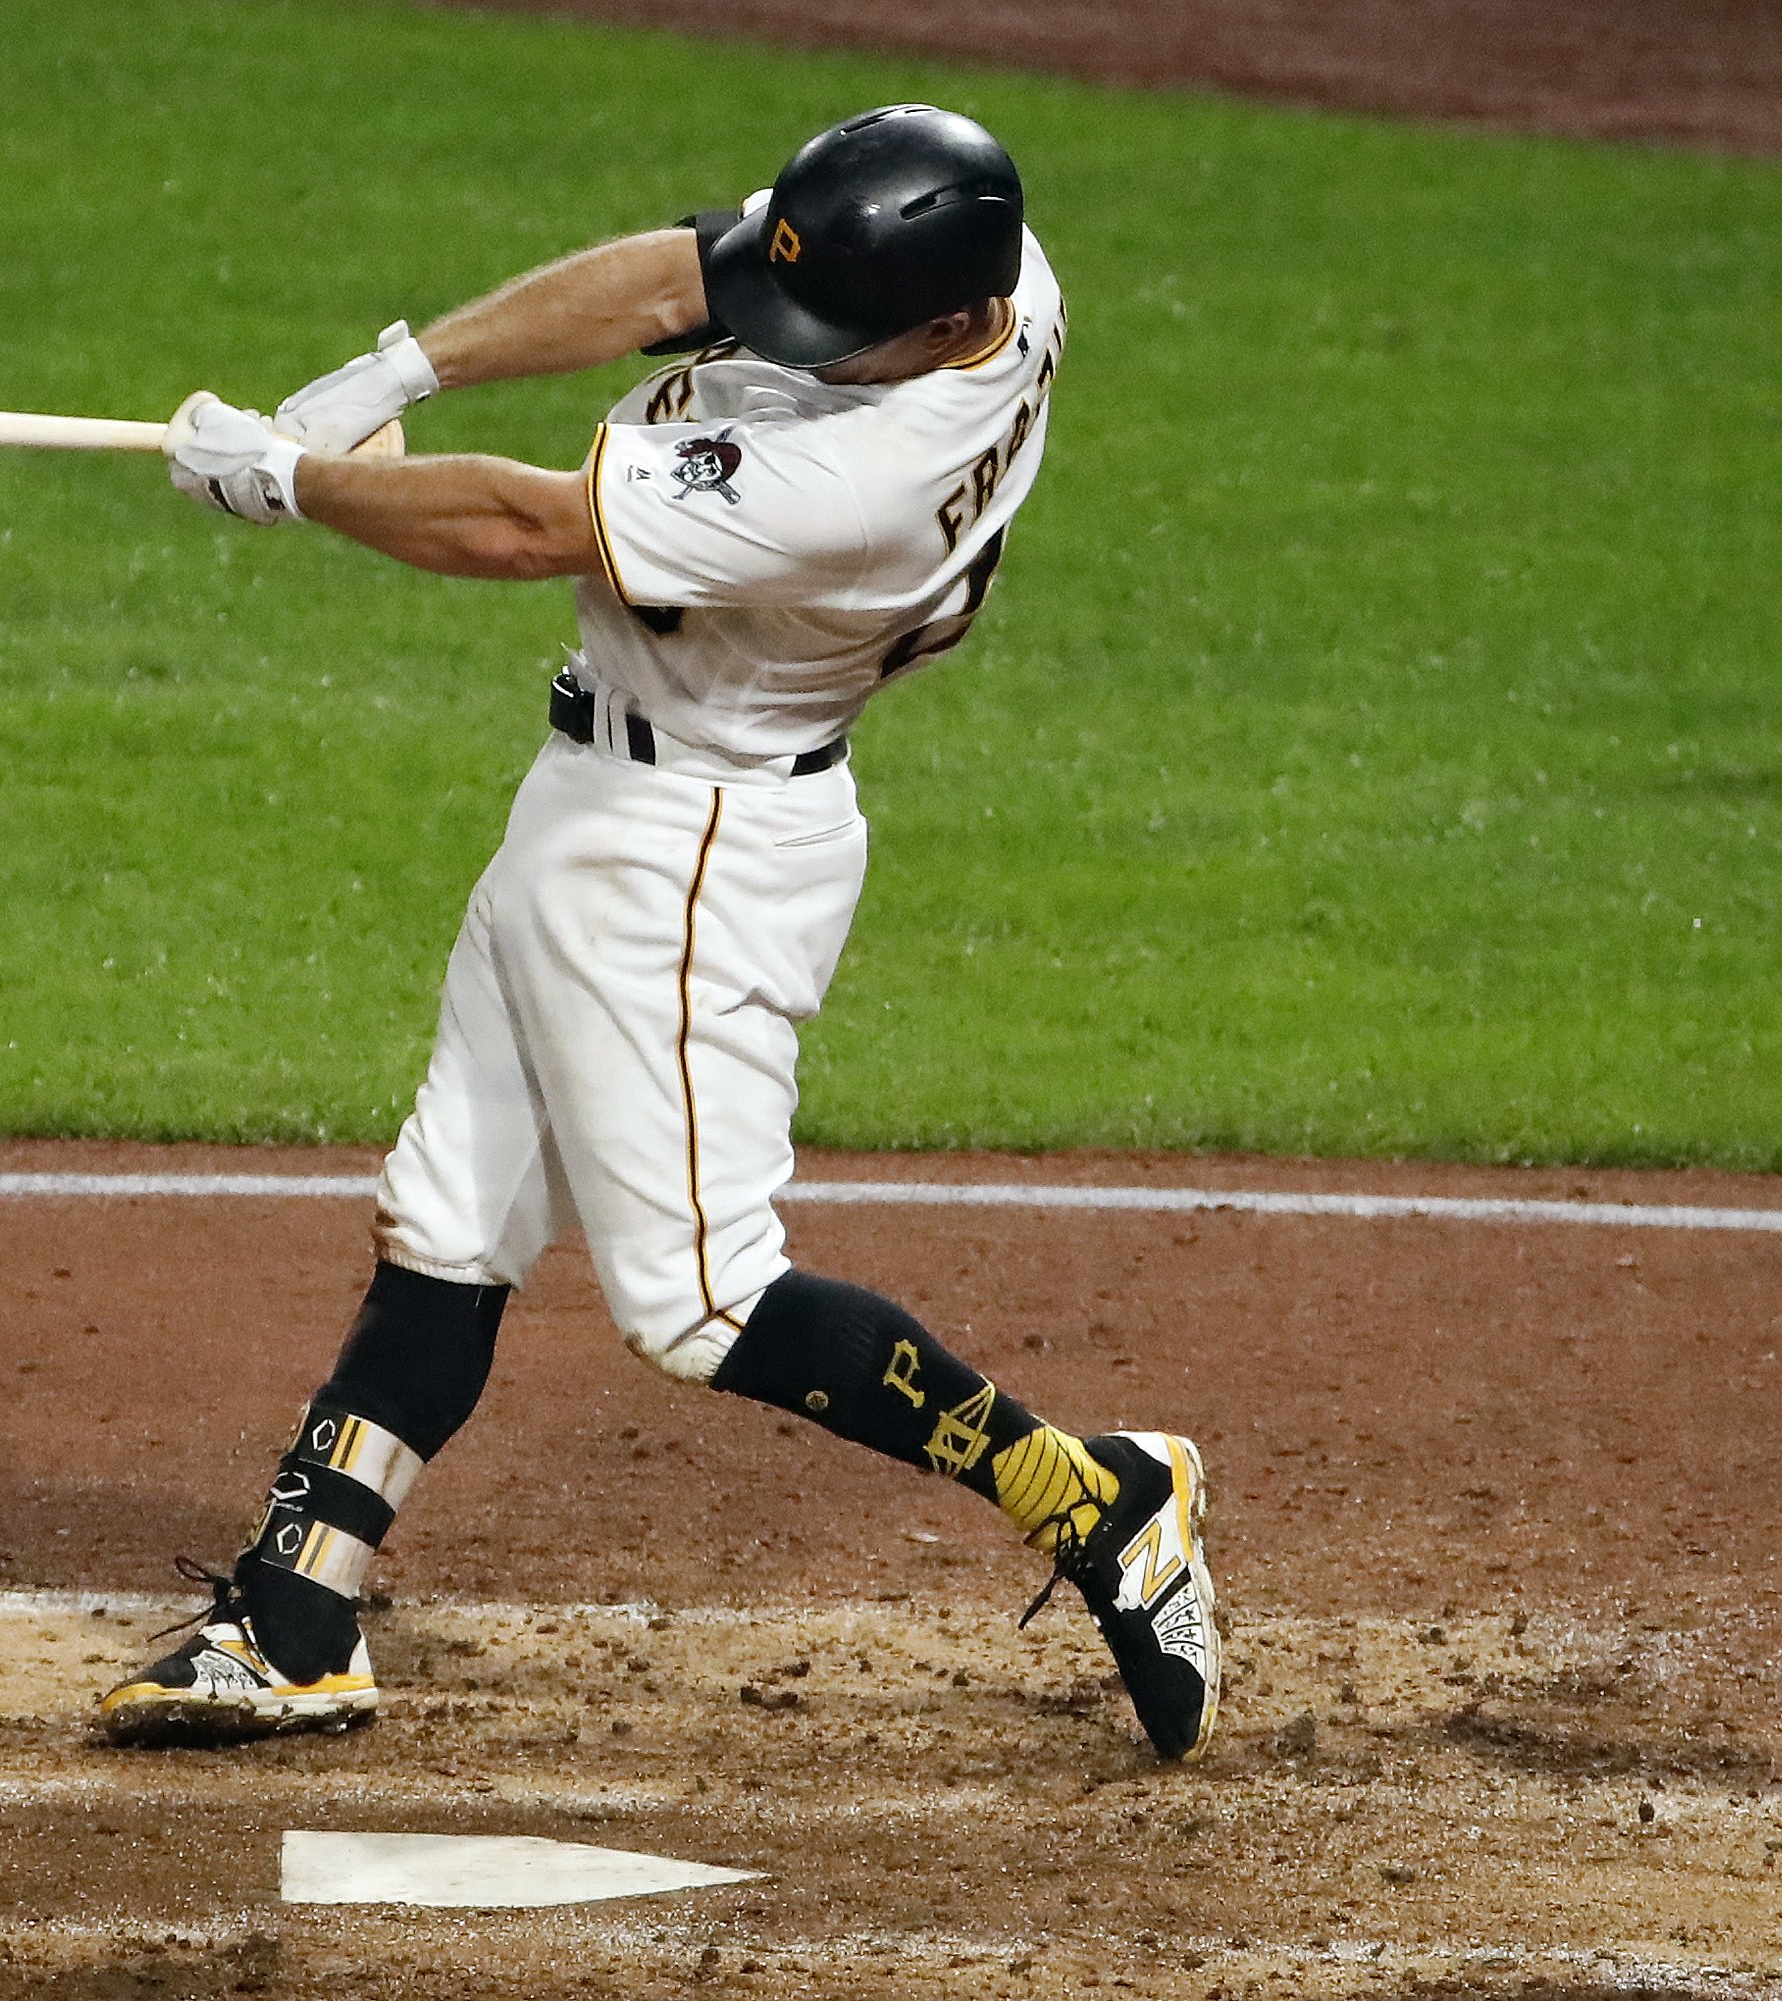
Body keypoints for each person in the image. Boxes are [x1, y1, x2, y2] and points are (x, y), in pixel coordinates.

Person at [93, 105, 1219, 1764]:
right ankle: (294, 1614)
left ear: (953, 328)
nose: (792, 337)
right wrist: (391, 377)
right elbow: (668, 282)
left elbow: (518, 528)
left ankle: (1100, 1495)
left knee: (702, 1298)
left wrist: (295, 485)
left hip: (689, 847)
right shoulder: (988, 261)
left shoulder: (859, 484)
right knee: (453, 1208)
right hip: (606, 795)